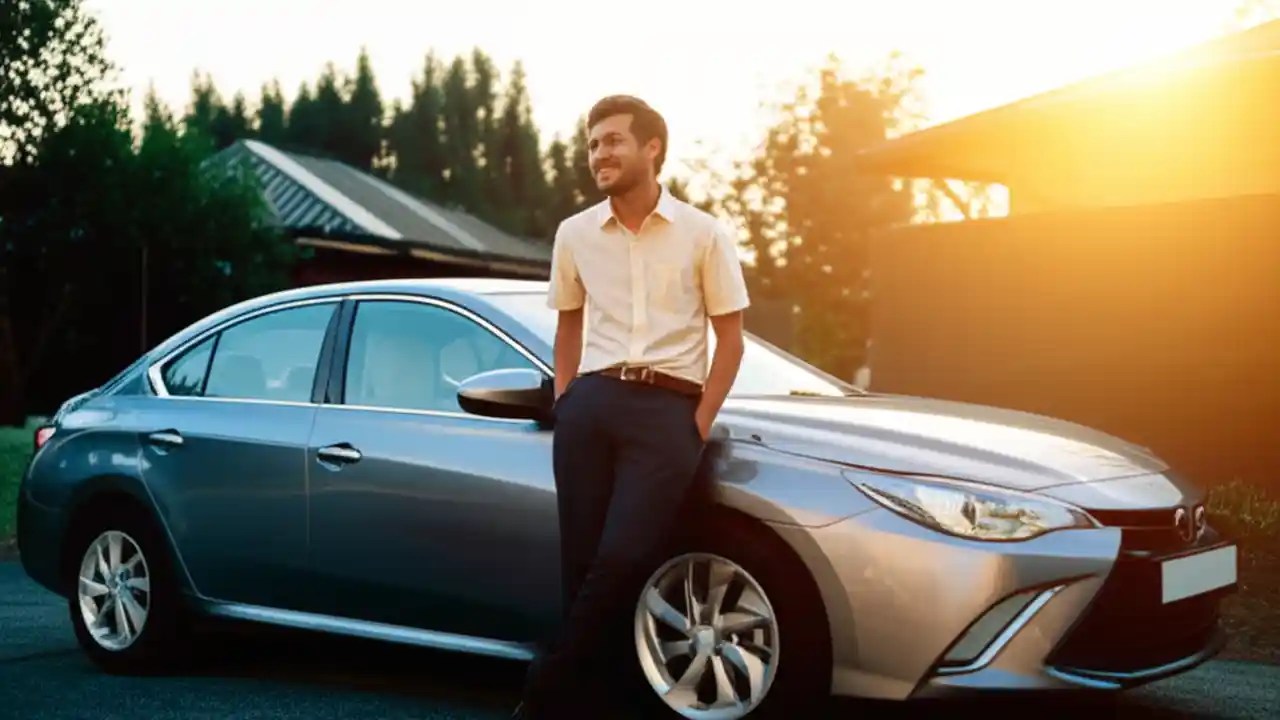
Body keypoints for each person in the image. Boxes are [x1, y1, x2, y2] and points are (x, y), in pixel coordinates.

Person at [513, 95, 750, 717]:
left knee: (625, 557)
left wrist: (695, 426)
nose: (600, 154)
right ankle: (599, 699)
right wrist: (567, 401)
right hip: (591, 405)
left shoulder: (703, 233)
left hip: (668, 411)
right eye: (593, 144)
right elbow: (569, 325)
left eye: (613, 141)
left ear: (653, 148)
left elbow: (731, 338)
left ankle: (547, 692)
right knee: (582, 564)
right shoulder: (575, 234)